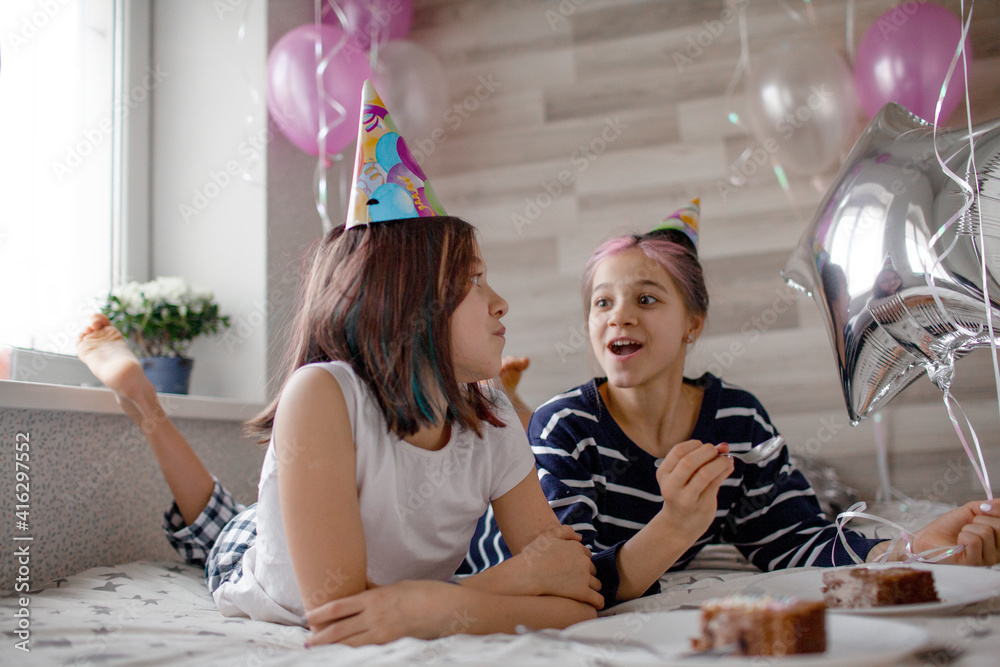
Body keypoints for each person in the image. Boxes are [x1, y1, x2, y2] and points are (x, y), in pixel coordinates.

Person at [76, 81, 603, 647]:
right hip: (253, 553)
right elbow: (339, 614)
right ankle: (143, 400)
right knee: (219, 524)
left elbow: (576, 599)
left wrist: (437, 604)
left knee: (232, 511)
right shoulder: (322, 393)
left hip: (323, 518)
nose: (500, 302)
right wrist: (493, 587)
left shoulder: (489, 409)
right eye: (473, 279)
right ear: (406, 302)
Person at [464, 198, 1000, 605]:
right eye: (602, 303)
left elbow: (794, 542)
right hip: (486, 576)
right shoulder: (563, 426)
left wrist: (910, 549)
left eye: (646, 298)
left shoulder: (736, 420)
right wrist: (677, 524)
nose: (619, 316)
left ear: (693, 324)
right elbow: (571, 584)